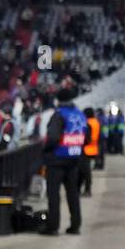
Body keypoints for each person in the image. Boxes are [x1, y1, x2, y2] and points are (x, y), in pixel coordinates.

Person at [40, 85, 86, 236]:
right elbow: (87, 136)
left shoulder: (59, 115)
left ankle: (53, 226)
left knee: (53, 194)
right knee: (73, 193)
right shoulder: (79, 115)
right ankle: (75, 225)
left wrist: (45, 149)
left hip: (57, 159)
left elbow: (53, 137)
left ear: (58, 100)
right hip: (74, 159)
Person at [80, 106, 101, 197]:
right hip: (93, 148)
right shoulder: (96, 122)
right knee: (87, 171)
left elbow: (86, 137)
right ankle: (87, 189)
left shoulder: (88, 123)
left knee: (84, 172)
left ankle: (87, 190)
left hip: (86, 149)